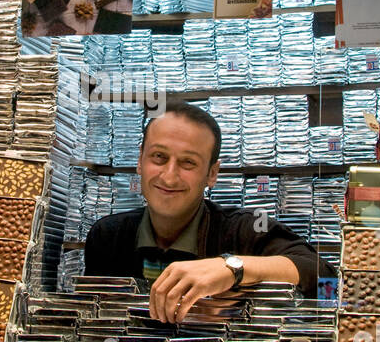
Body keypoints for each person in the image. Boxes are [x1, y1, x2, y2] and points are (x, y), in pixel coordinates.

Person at [83, 102, 327, 324]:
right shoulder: (107, 236)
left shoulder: (245, 232)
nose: (169, 176)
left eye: (188, 162)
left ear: (212, 174)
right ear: (140, 160)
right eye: (159, 157)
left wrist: (233, 268)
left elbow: (325, 279)